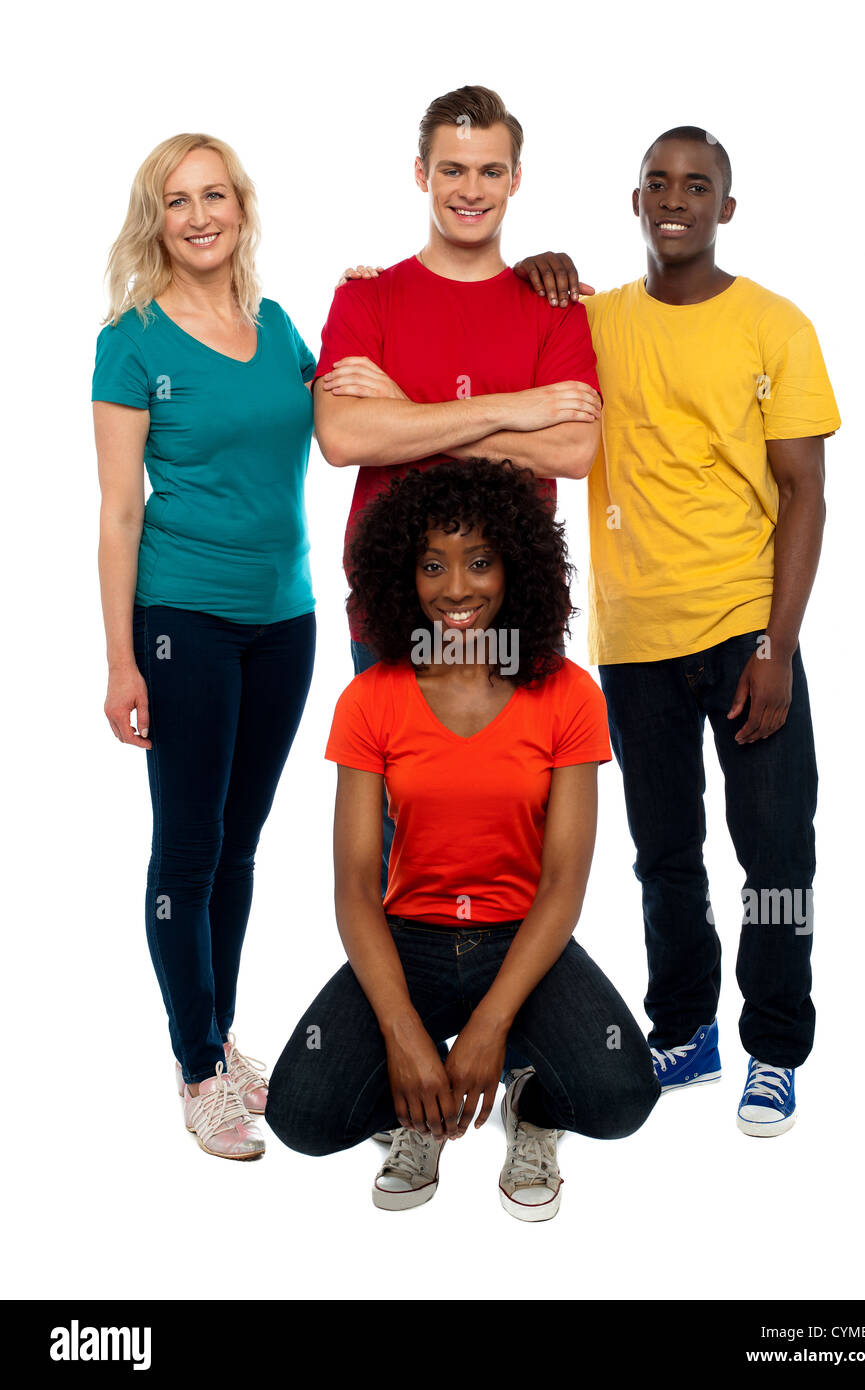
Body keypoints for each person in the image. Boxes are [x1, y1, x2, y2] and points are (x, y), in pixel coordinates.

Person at [514, 126, 841, 1137]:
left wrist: (776, 647)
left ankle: (775, 1048)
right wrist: (532, 275)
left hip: (743, 627)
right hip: (634, 638)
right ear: (635, 201)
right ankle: (686, 1028)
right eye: (657, 181)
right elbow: (514, 325)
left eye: (697, 185)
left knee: (776, 856)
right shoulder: (598, 321)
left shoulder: (773, 326)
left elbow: (805, 493)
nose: (675, 198)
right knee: (666, 855)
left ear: (725, 208)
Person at [265, 460, 659, 1220]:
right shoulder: (372, 697)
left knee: (619, 1098)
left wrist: (487, 1028)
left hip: (521, 937)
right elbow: (353, 883)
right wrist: (405, 1035)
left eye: (479, 561)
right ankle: (417, 1110)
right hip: (409, 937)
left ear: (514, 566)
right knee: (301, 1117)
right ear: (402, 576)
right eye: (432, 565)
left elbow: (563, 884)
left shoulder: (567, 693)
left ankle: (532, 1107)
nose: (456, 588)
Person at [311, 84, 603, 894]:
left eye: (487, 170)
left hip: (516, 609)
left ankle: (499, 1017)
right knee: (390, 850)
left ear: (515, 180)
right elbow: (342, 437)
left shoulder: (555, 310)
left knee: (512, 843)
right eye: (451, 169)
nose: (468, 189)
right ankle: (397, 1017)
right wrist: (516, 411)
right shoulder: (363, 297)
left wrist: (408, 411)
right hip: (393, 609)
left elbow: (574, 449)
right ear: (419, 173)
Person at [92, 133, 318, 1159]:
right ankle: (196, 1068)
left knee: (240, 841)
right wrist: (120, 658)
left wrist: (371, 296)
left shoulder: (276, 327)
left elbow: (345, 412)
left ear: (241, 206)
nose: (197, 216)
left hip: (287, 616)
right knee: (186, 845)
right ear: (157, 219)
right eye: (176, 201)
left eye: (213, 195)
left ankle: (220, 1038)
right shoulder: (132, 341)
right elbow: (118, 511)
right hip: (182, 616)